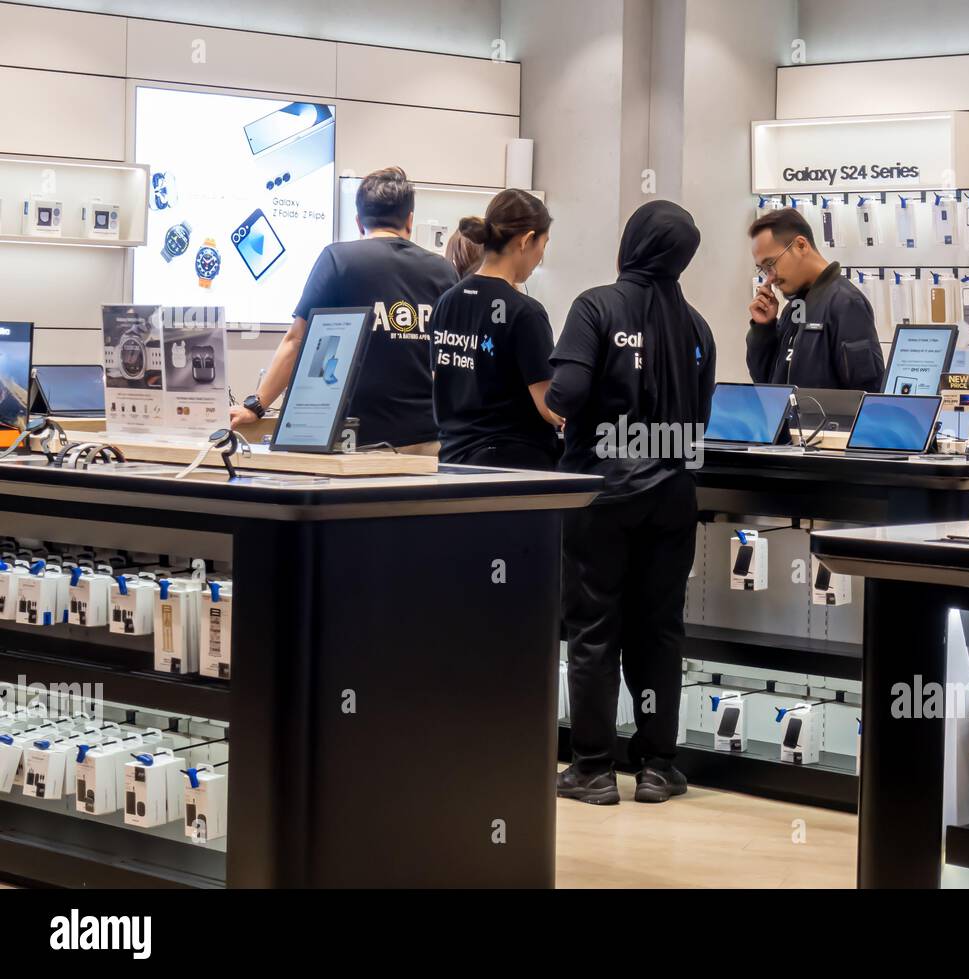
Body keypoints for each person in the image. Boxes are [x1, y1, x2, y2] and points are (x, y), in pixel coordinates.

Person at [547, 200, 716, 805]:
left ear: (631, 243)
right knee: (659, 629)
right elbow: (698, 419)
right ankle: (657, 765)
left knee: (593, 628)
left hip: (601, 493)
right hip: (672, 494)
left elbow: (565, 394)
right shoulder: (696, 326)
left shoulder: (595, 306)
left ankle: (592, 767)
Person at [230, 167, 456, 455]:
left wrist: (257, 406)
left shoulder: (338, 260)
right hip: (426, 439)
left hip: (356, 439)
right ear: (409, 220)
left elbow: (297, 341)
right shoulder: (443, 272)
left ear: (359, 221)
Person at [429, 190, 561, 469]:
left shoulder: (446, 302)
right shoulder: (525, 312)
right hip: (511, 466)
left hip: (453, 460)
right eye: (543, 245)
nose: (540, 257)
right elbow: (550, 408)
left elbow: (440, 380)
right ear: (526, 241)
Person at [746, 207, 884, 391]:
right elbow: (767, 384)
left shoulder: (846, 303)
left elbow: (867, 394)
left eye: (771, 264)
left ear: (801, 245)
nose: (769, 278)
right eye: (763, 269)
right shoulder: (795, 306)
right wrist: (763, 329)